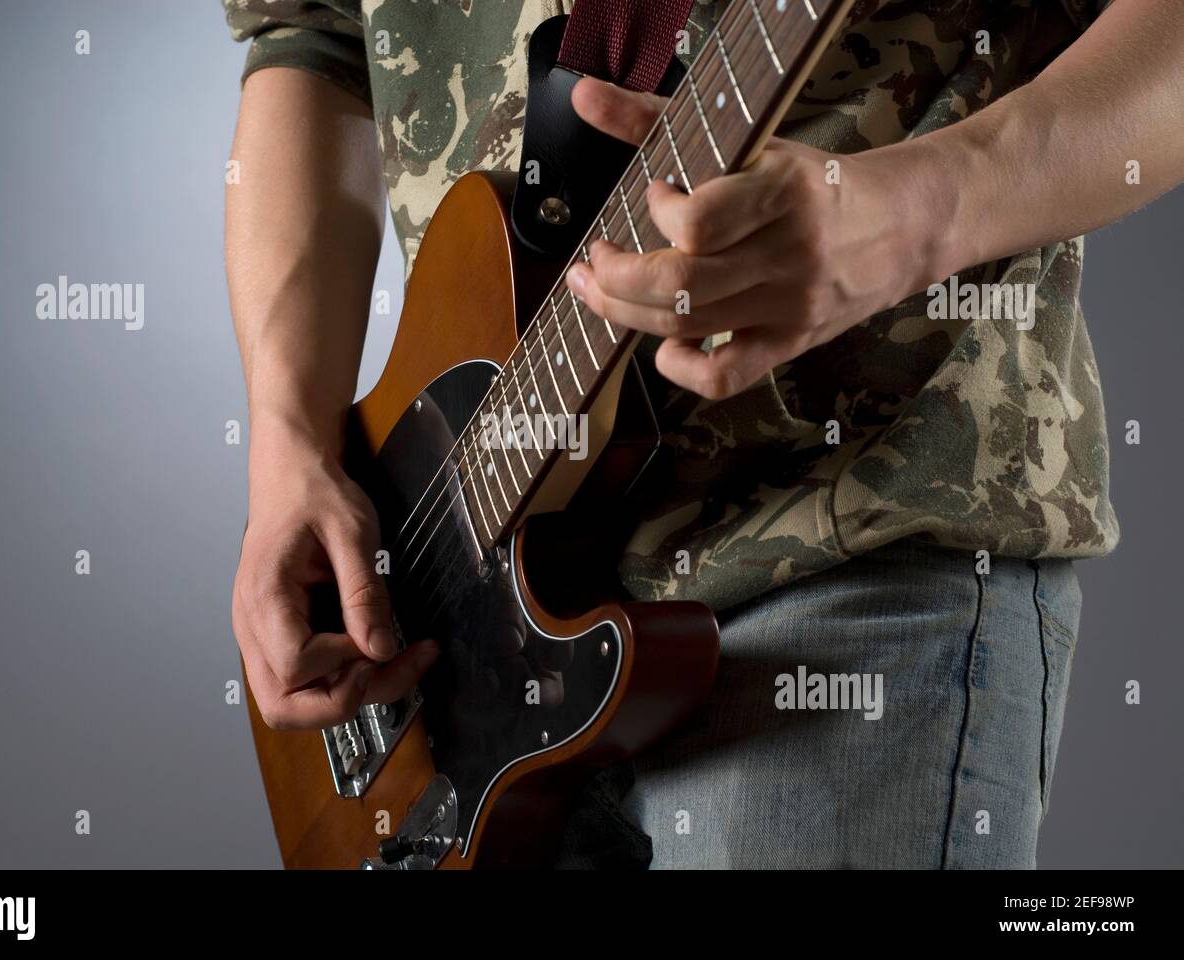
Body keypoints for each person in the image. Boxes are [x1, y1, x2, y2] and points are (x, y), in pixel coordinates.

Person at [221, 0, 1182, 868]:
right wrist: (288, 443)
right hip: (453, 593)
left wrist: (914, 213)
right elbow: (314, 40)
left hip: (836, 537)